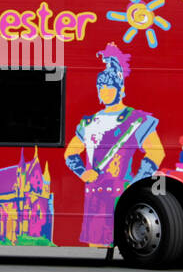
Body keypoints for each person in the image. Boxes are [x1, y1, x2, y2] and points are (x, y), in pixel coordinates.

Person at [64, 44, 164, 247]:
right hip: (93, 195)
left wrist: (136, 182)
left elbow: (156, 152)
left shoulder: (136, 119)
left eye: (109, 87)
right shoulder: (89, 122)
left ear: (121, 89)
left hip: (121, 191)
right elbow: (71, 153)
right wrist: (83, 173)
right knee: (94, 242)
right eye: (101, 87)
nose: (104, 91)